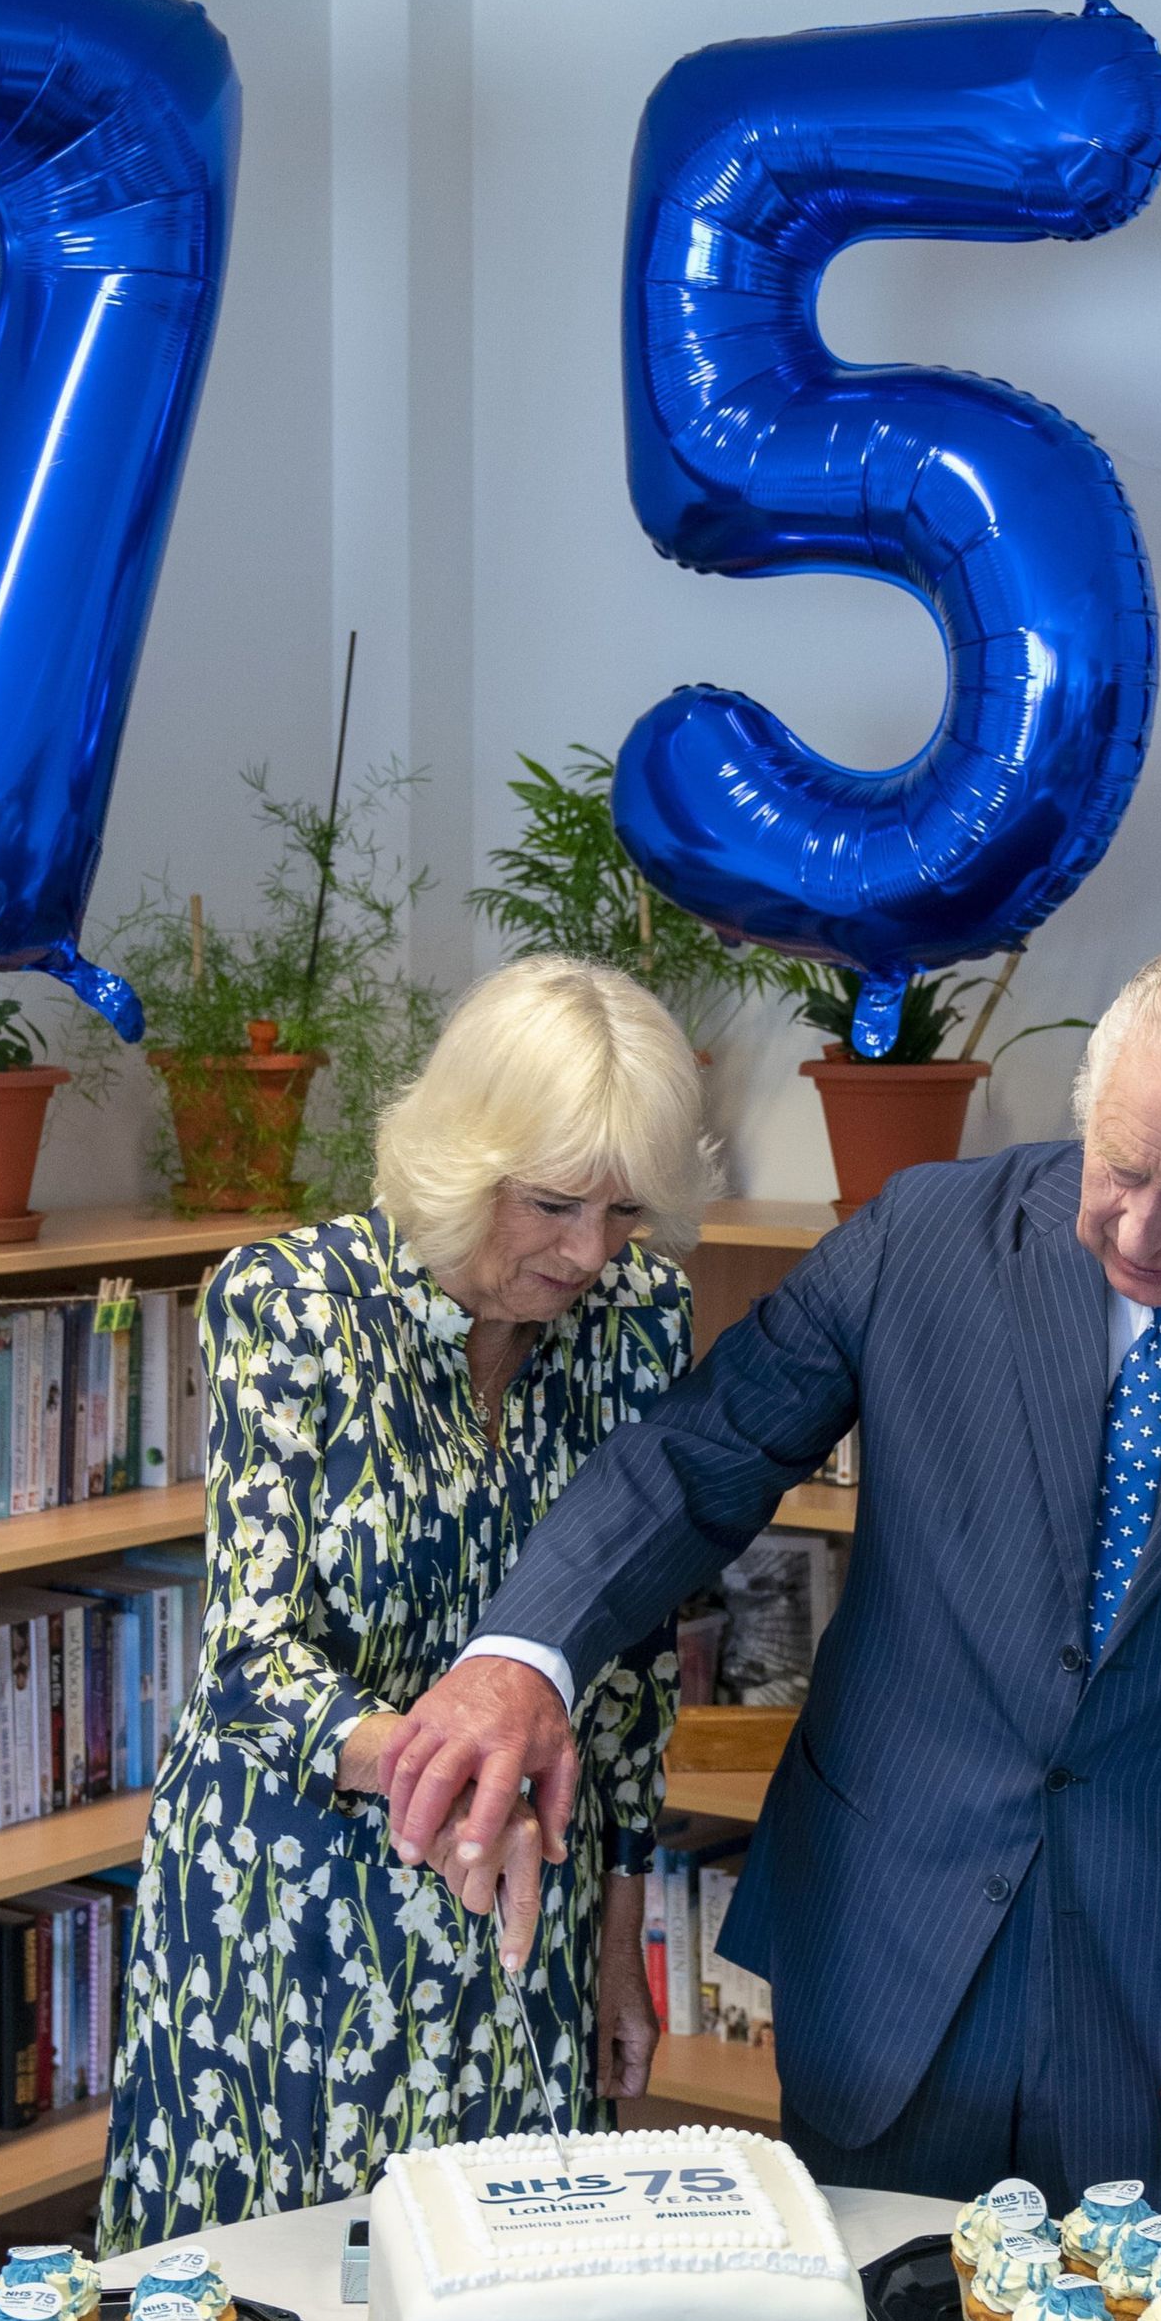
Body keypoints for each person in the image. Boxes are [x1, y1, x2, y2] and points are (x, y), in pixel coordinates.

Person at [379, 938, 1161, 2273]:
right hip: (889, 1979)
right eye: (1123, 1168)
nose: (1141, 1229)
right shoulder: (922, 1239)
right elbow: (697, 1456)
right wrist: (523, 1657)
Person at [98, 955, 714, 2243]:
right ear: (466, 1160)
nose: (588, 1252)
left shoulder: (642, 1318)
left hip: (527, 1909)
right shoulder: (291, 1309)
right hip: (293, 1917)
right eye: (553, 1205)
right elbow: (249, 1664)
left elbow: (634, 1667)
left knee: (510, 2309)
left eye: (624, 1214)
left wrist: (619, 1945)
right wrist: (454, 1774)